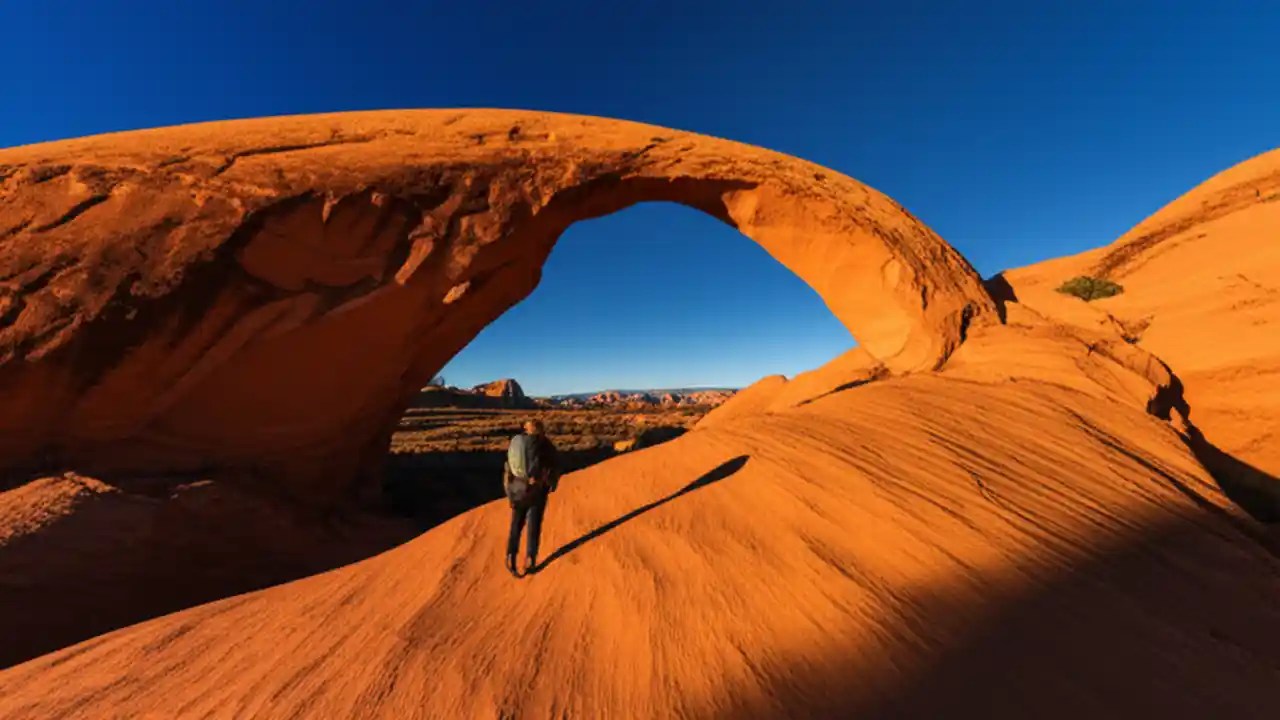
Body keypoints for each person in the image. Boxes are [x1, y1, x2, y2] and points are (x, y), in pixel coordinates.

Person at [503, 419, 559, 576]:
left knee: (516, 524)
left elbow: (508, 468)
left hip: (518, 491)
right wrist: (551, 483)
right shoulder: (545, 445)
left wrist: (510, 492)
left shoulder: (517, 443)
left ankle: (510, 555)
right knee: (534, 525)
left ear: (526, 429)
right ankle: (530, 558)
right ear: (540, 430)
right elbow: (552, 465)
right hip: (537, 491)